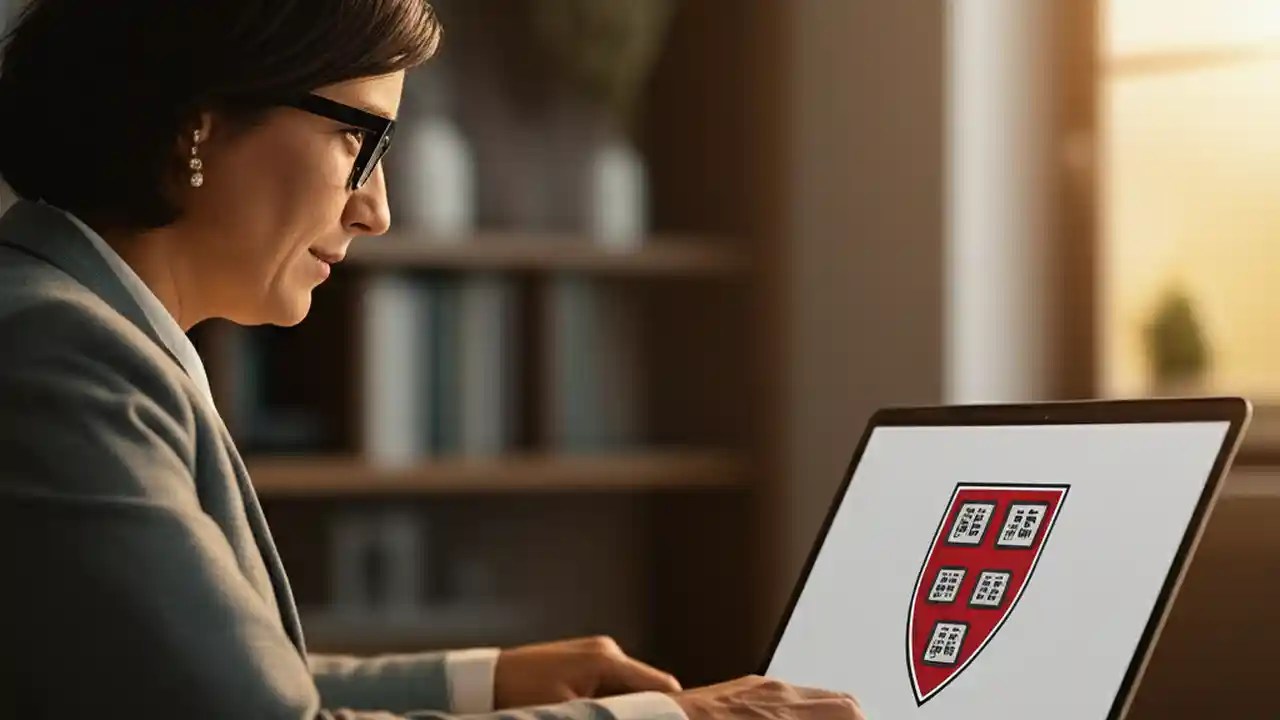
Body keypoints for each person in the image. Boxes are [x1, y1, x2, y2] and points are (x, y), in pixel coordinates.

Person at [0, 2, 865, 719]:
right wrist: (674, 718)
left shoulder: (77, 325)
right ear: (200, 119)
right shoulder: (58, 354)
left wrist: (485, 679)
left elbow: (209, 679)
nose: (377, 209)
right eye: (360, 143)